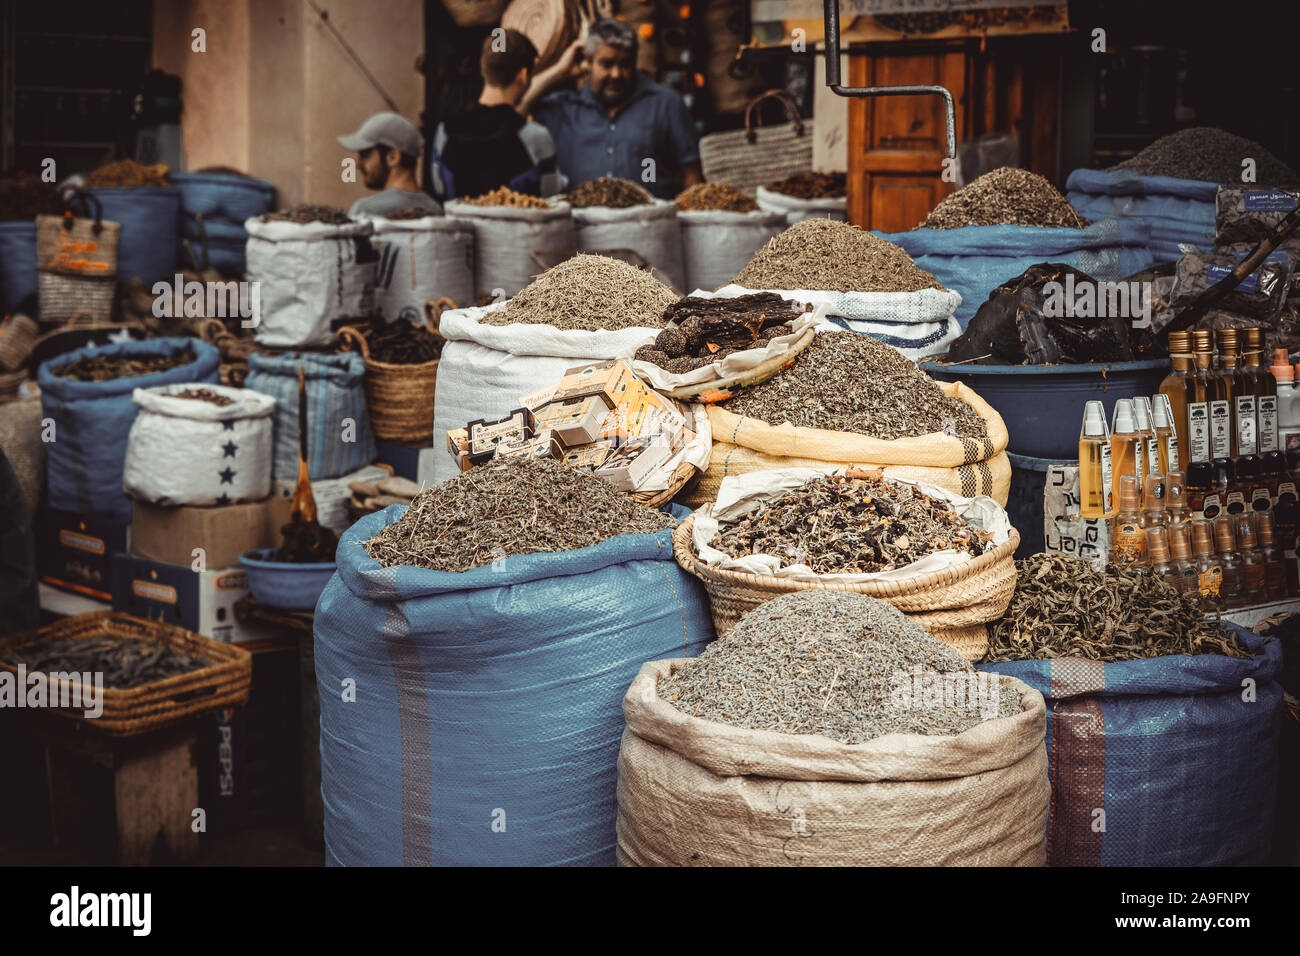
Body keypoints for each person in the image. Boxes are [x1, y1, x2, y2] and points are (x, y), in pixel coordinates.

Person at [532, 18, 703, 200]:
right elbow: (509, 112)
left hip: (649, 223)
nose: (616, 74)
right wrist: (560, 70)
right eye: (607, 64)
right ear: (588, 63)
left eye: (625, 64)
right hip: (578, 224)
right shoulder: (562, 108)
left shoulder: (666, 104)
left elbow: (691, 175)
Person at [432, 30, 575, 200]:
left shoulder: (445, 131)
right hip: (518, 225)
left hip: (461, 224)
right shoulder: (536, 137)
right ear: (522, 75)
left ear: (484, 69)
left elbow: (439, 187)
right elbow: (549, 195)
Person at [337, 112, 443, 218]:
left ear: (393, 157)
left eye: (365, 155)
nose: (358, 165)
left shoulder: (365, 210)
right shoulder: (436, 210)